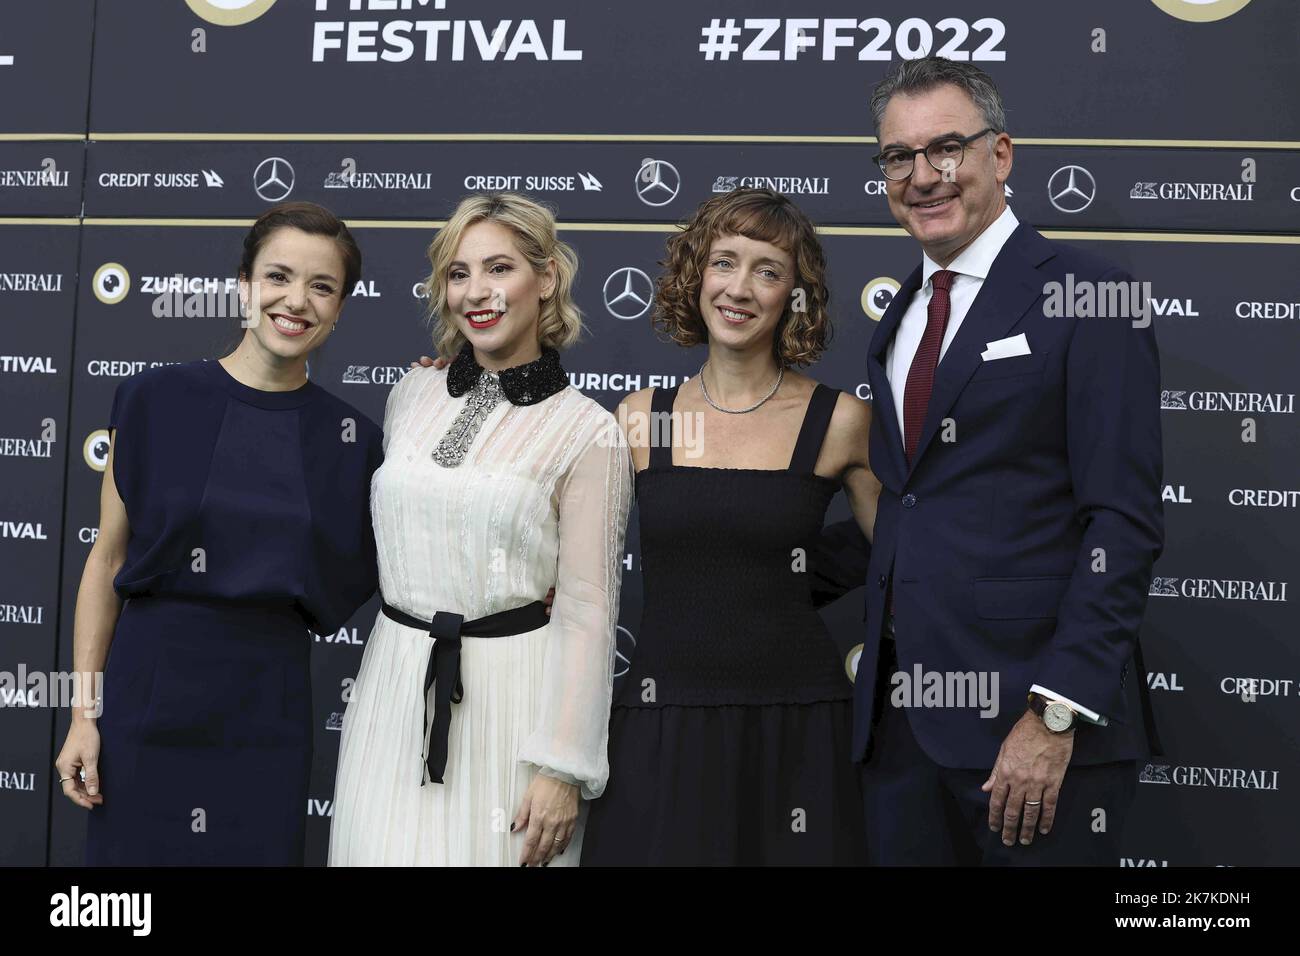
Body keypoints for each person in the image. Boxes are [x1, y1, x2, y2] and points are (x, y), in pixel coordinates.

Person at [835, 55, 1164, 865]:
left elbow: (1120, 524)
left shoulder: (1089, 297)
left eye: (946, 148)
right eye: (899, 157)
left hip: (1038, 739)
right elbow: (913, 511)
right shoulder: (899, 319)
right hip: (902, 738)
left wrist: (1054, 716)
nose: (923, 176)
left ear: (1001, 154)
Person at [58, 201, 383, 865]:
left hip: (268, 711)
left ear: (342, 307)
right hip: (147, 696)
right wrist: (84, 715)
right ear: (244, 285)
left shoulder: (353, 442)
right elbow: (107, 562)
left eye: (322, 287)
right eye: (279, 277)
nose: (296, 301)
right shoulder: (153, 399)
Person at [327, 192, 632, 867]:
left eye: (499, 269)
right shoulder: (411, 392)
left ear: (545, 278)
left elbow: (587, 611)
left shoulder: (590, 431)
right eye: (459, 274)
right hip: (393, 685)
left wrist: (563, 765)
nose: (477, 292)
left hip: (512, 701)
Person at [579, 188, 880, 865]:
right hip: (662, 721)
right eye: (725, 262)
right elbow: (572, 569)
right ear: (698, 275)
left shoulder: (841, 421)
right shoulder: (639, 418)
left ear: (794, 296)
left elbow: (906, 559)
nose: (740, 288)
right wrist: (458, 388)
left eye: (768, 271)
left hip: (798, 729)